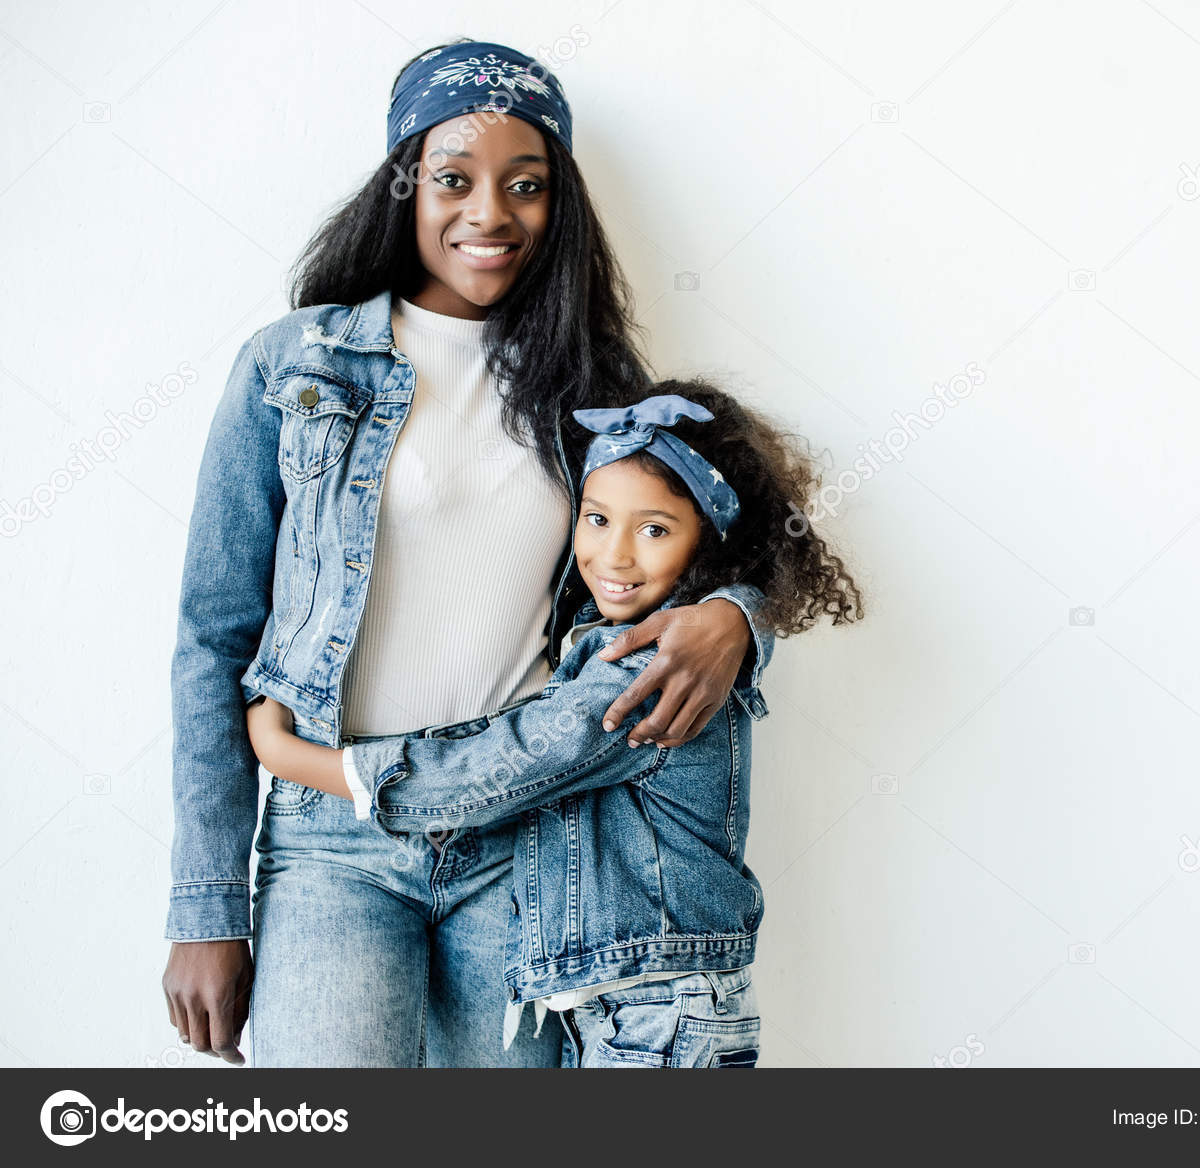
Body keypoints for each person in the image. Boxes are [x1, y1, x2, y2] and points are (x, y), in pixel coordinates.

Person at [163, 40, 776, 1067]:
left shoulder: (598, 384)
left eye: (526, 186)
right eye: (452, 178)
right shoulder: (298, 364)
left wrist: (738, 619)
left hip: (528, 840)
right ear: (402, 186)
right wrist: (204, 905)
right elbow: (209, 633)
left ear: (558, 206)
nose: (489, 213)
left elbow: (717, 535)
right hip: (331, 845)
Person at [245, 386, 865, 1066]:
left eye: (654, 530)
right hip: (637, 1012)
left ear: (711, 541)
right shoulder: (620, 642)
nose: (614, 555)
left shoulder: (644, 668)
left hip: (654, 1020)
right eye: (596, 519)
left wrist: (285, 753)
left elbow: (491, 769)